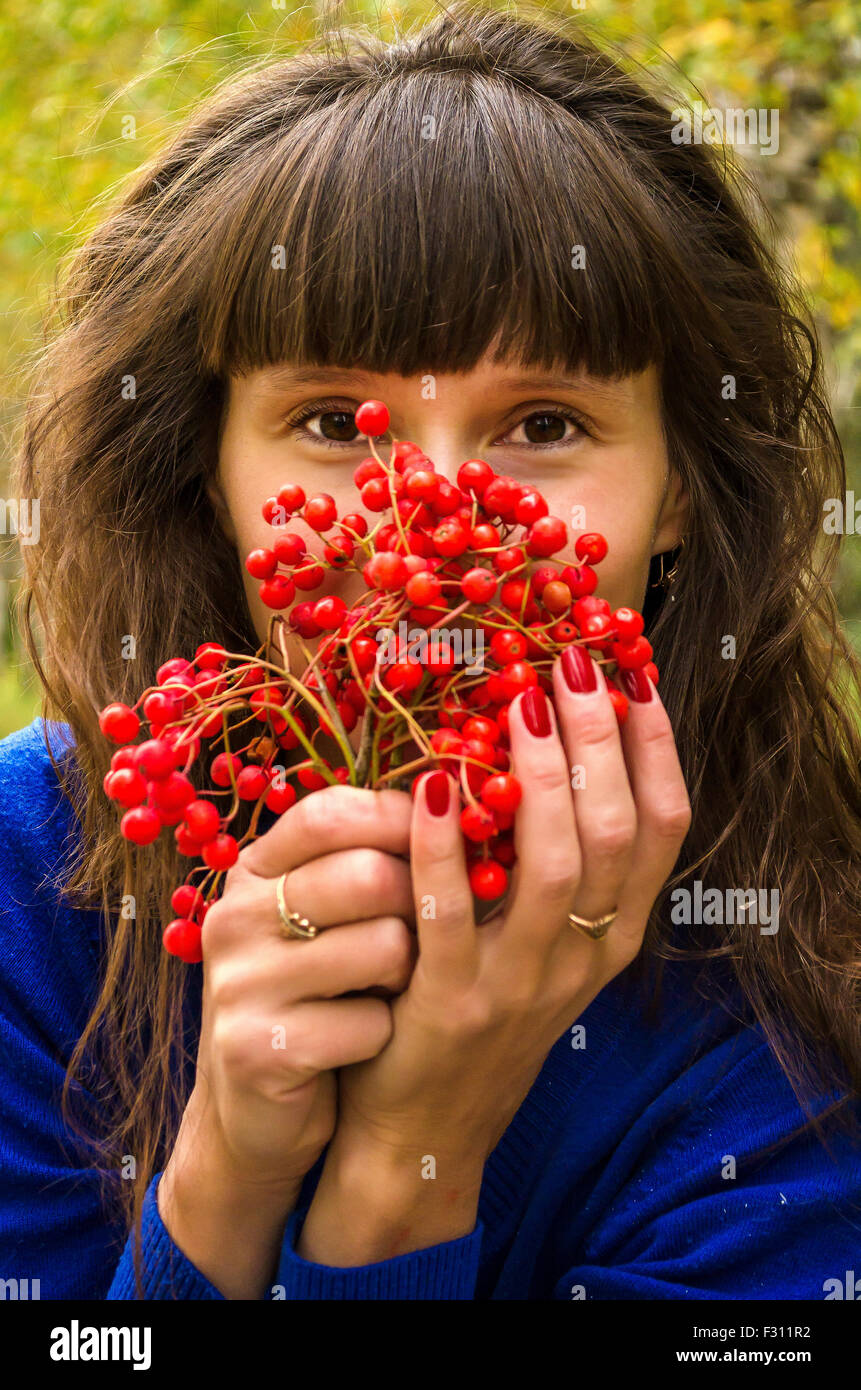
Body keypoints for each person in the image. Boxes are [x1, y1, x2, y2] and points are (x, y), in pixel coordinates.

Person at [2, 2, 859, 1300]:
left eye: (546, 422)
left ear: (677, 487)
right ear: (208, 473)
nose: (433, 517)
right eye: (336, 419)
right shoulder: (36, 881)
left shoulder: (802, 1015)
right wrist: (222, 1178)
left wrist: (403, 1167)